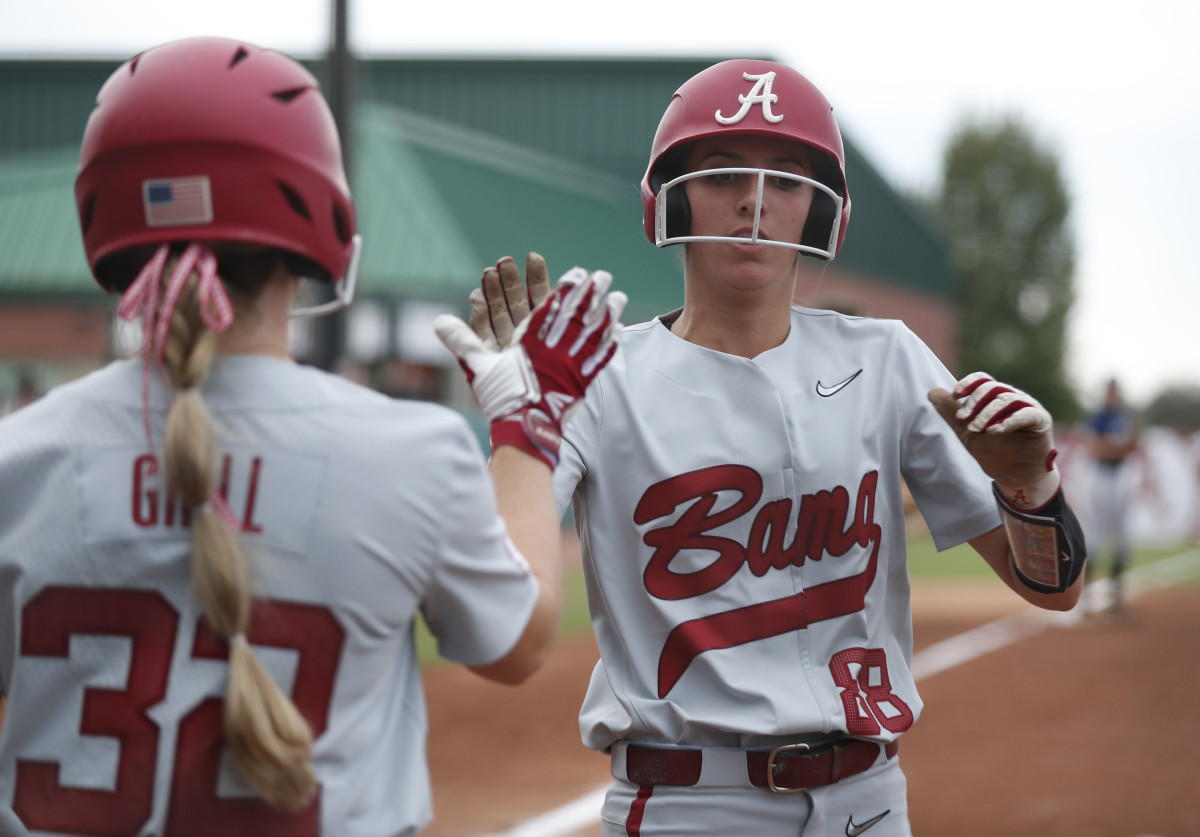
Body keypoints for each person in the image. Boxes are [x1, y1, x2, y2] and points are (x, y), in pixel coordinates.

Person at [0, 37, 624, 837]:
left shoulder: (18, 457)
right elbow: (516, 641)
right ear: (318, 219)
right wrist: (526, 426)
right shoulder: (409, 452)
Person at [468, 59, 1085, 836]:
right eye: (724, 172)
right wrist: (520, 421)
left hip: (871, 801)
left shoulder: (889, 359)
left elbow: (1054, 588)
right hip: (691, 807)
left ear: (822, 211)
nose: (754, 201)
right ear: (670, 198)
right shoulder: (592, 372)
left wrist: (1030, 485)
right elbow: (499, 611)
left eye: (787, 180)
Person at [1082, 378, 1140, 614]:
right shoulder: (1099, 417)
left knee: (1123, 538)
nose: (1114, 396)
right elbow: (1098, 450)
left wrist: (1115, 448)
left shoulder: (1123, 417)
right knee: (1096, 536)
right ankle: (1085, 596)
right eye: (1111, 392)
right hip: (1102, 478)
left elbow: (1132, 446)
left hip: (1119, 478)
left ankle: (1116, 598)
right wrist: (1117, 448)